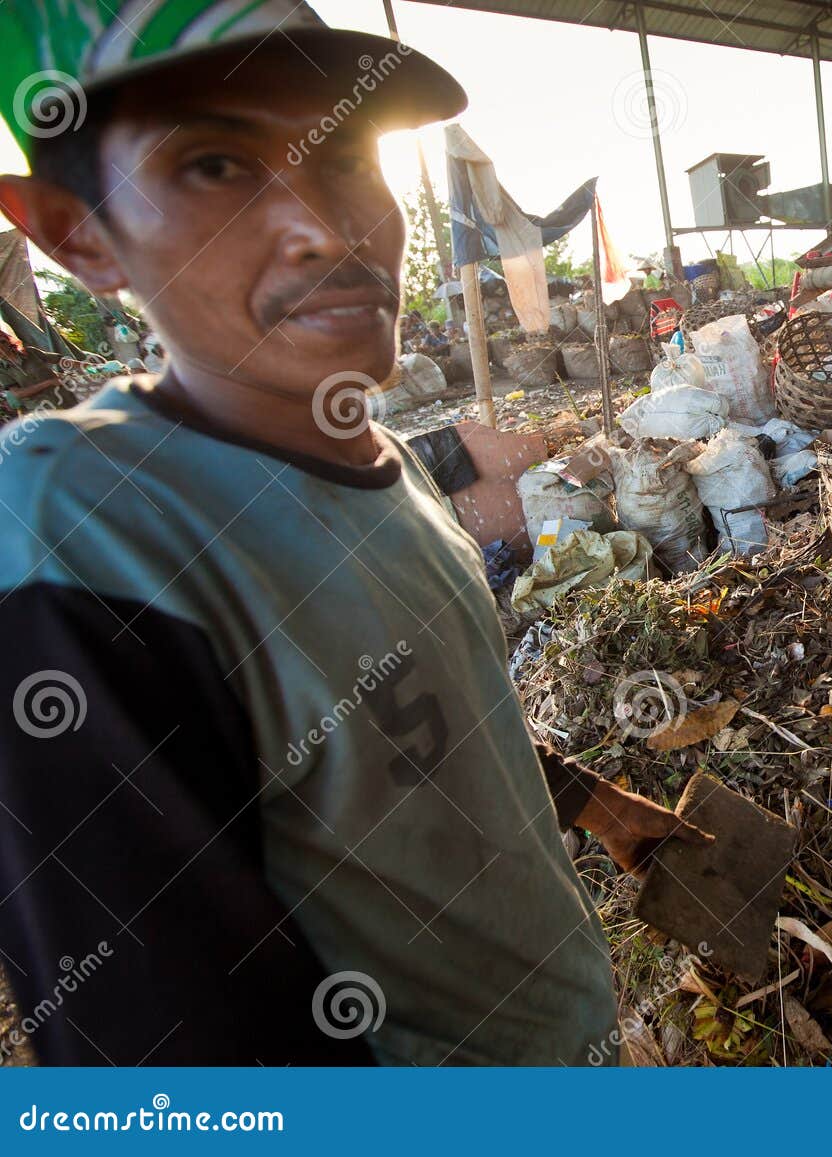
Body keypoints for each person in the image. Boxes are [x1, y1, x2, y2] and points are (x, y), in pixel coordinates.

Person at [0, 0, 704, 1066]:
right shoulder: (86, 535)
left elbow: (409, 712)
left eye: (343, 156)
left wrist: (586, 799)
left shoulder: (377, 459)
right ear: (75, 230)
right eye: (215, 166)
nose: (325, 228)